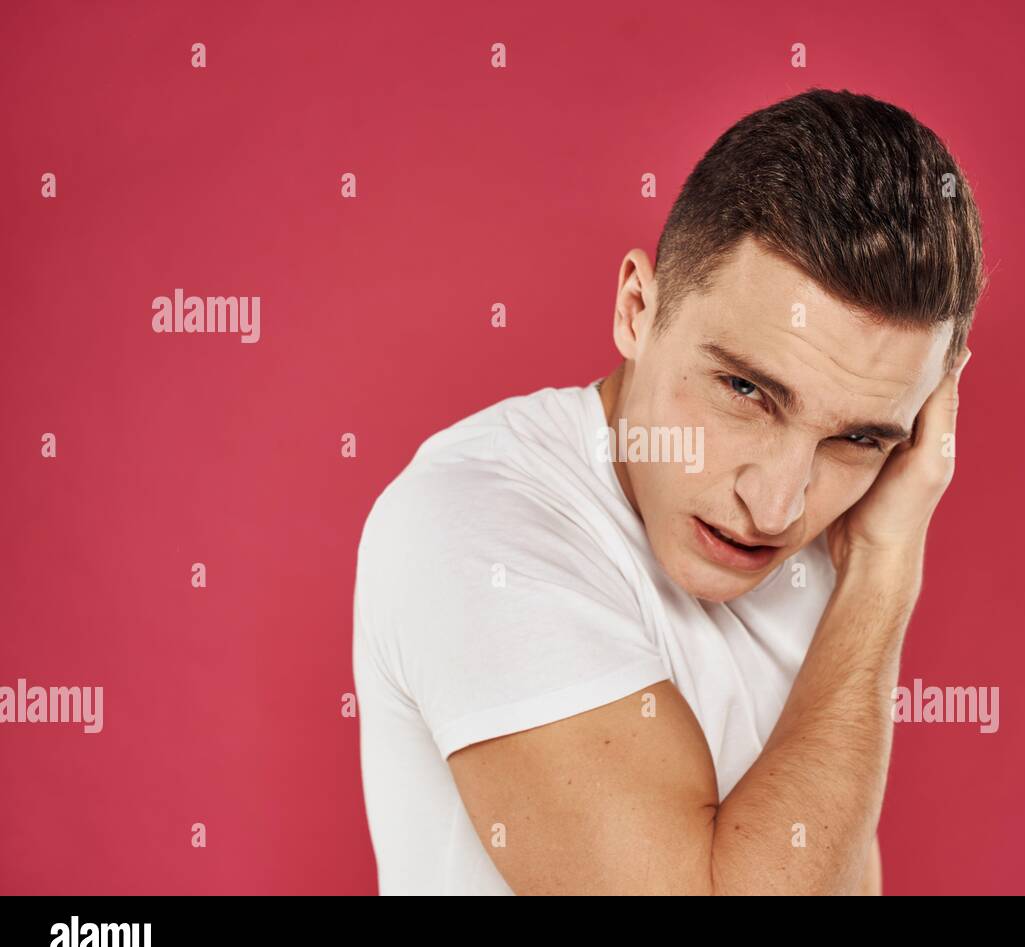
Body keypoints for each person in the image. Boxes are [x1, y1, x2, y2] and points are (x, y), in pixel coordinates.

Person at [352, 87, 985, 894]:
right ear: (636, 309)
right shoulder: (474, 527)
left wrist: (872, 558)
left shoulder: (834, 537)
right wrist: (882, 577)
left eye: (857, 438)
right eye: (746, 391)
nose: (778, 504)